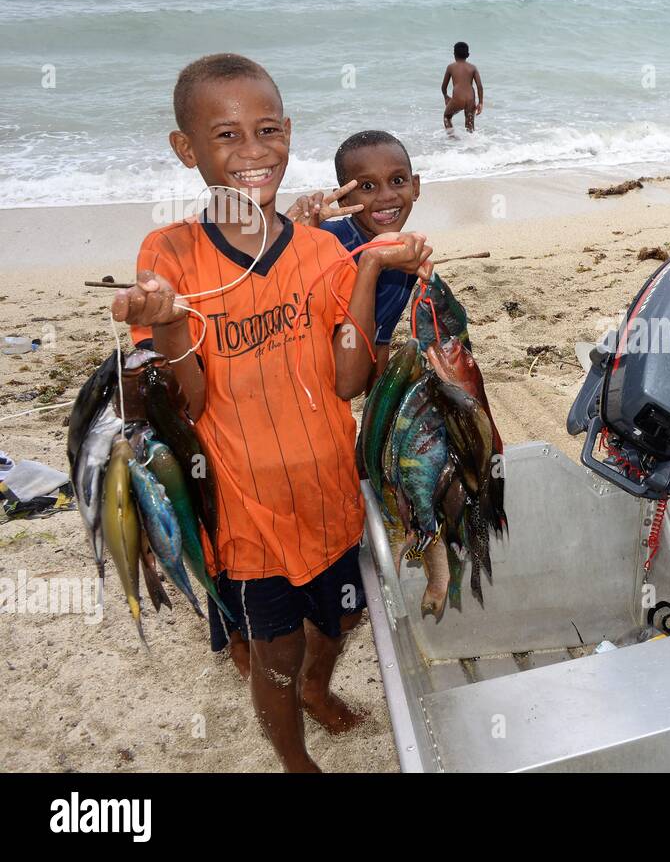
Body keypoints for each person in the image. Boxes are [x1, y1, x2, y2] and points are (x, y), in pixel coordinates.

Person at [112, 53, 432, 772]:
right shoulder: (172, 255)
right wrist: (165, 324)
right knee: (275, 651)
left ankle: (317, 687)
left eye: (265, 131)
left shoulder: (322, 253)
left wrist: (372, 269)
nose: (252, 153)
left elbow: (349, 378)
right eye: (225, 137)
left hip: (327, 493)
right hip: (245, 511)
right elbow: (185, 401)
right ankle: (293, 757)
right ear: (186, 148)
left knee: (343, 616)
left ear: (288, 131)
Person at [290, 130, 423, 380]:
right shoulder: (328, 242)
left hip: (348, 372)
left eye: (397, 181)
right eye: (368, 186)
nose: (387, 196)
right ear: (344, 198)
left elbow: (380, 343)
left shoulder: (405, 260)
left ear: (414, 186)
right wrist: (302, 236)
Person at [441, 41, 483, 133]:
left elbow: (443, 87)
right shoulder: (473, 68)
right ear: (468, 55)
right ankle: (471, 144)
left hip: (457, 98)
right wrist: (480, 102)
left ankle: (452, 138)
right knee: (470, 126)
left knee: (447, 117)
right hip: (470, 99)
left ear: (454, 54)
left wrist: (446, 97)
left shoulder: (450, 67)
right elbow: (479, 86)